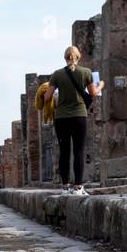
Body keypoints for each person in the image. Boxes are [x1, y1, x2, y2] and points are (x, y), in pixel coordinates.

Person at [41, 45, 103, 194]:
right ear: (78, 57)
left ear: (65, 58)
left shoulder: (57, 74)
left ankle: (65, 186)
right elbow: (93, 93)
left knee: (64, 152)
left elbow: (47, 97)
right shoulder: (86, 72)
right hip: (79, 116)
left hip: (61, 117)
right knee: (79, 151)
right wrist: (101, 85)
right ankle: (78, 187)